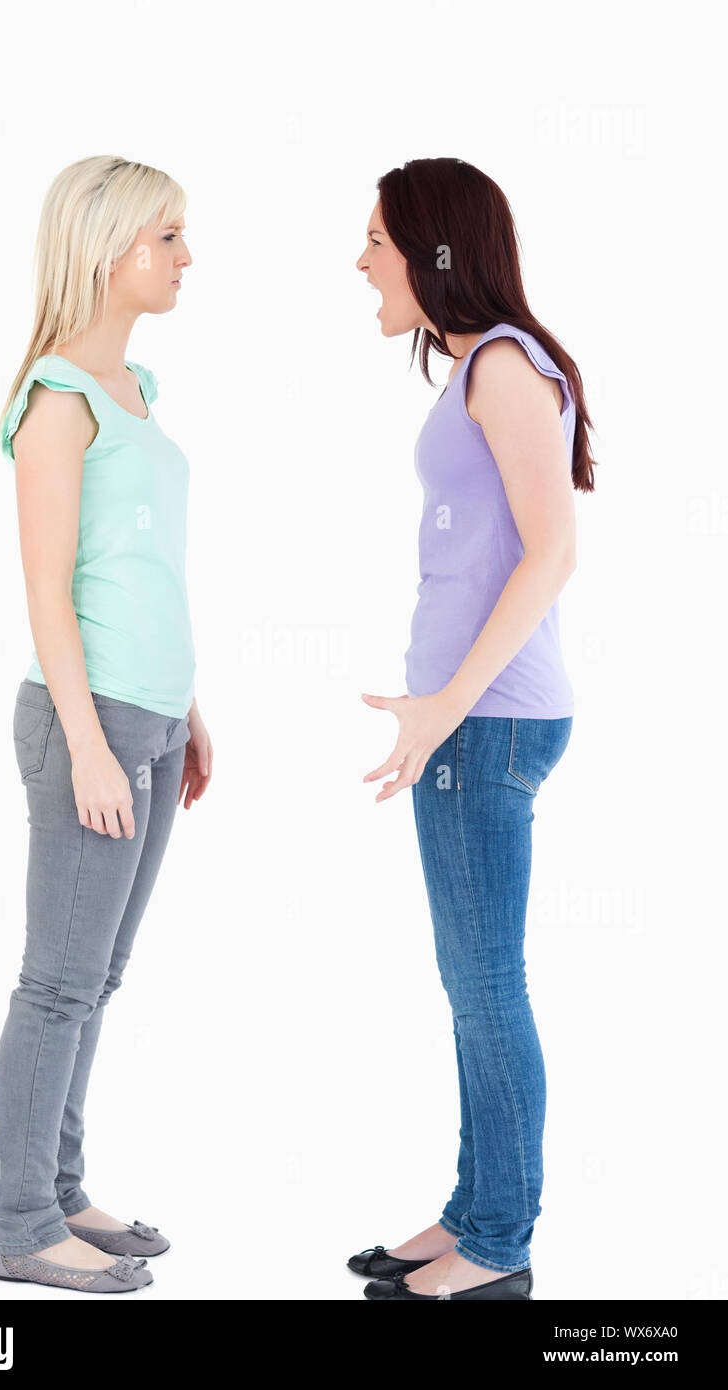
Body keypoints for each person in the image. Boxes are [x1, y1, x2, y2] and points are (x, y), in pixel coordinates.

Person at [349, 157, 596, 1302]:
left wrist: (444, 704)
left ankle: (498, 1242)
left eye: (379, 243)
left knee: (488, 981)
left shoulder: (500, 366)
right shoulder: (479, 369)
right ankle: (470, 1209)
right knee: (471, 979)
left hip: (486, 724)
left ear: (434, 254)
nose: (362, 263)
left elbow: (553, 552)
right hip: (475, 722)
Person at [0, 155, 213, 1294]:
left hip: (150, 720)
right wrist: (85, 741)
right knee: (58, 983)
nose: (183, 257)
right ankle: (24, 1223)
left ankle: (65, 1192)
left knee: (98, 975)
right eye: (165, 238)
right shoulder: (57, 398)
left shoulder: (138, 393)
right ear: (107, 249)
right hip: (90, 722)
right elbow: (48, 592)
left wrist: (189, 710)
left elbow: (141, 571)